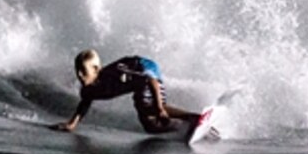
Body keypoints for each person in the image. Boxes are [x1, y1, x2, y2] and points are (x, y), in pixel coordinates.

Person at [51, 49, 207, 134]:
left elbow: (150, 81)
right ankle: (185, 126)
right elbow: (84, 103)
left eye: (83, 71)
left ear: (96, 69)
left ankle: (195, 118)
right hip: (139, 80)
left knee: (146, 106)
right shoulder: (88, 90)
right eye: (77, 70)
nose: (79, 75)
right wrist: (72, 124)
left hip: (145, 68)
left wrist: (159, 108)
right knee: (150, 126)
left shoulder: (114, 76)